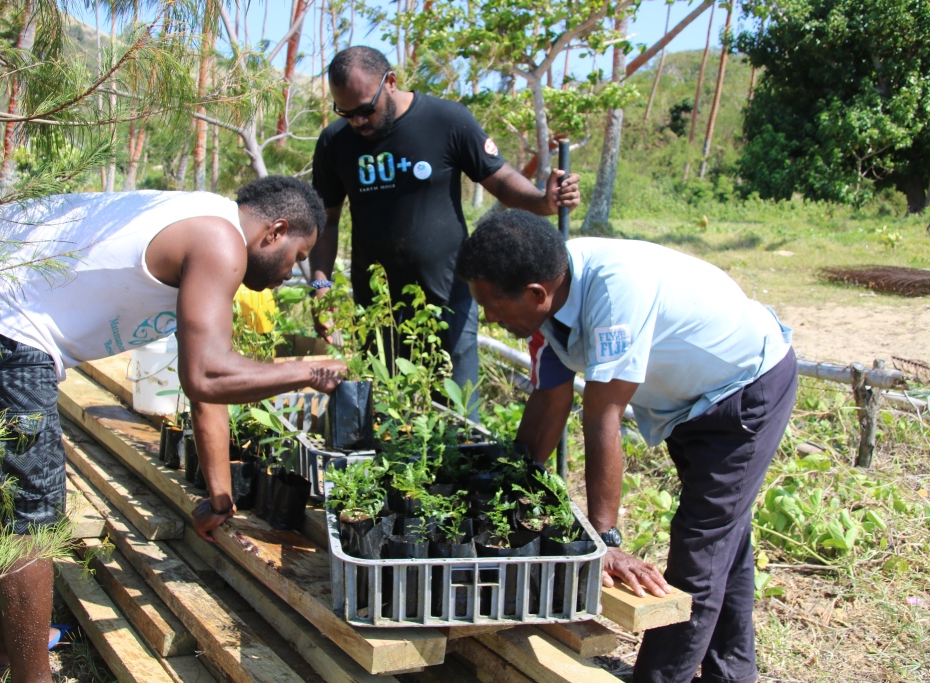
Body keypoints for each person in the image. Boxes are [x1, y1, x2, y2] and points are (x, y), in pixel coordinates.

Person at [0, 176, 346, 682]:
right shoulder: (220, 240)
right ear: (276, 230)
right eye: (298, 257)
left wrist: (219, 497)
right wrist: (308, 370)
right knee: (30, 513)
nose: (291, 274)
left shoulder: (209, 228)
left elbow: (207, 386)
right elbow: (207, 374)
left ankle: (7, 649)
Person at [456, 210, 798, 683]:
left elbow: (604, 416)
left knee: (700, 548)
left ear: (536, 294)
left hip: (743, 392)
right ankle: (733, 673)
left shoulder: (615, 292)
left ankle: (660, 676)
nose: (490, 318)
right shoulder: (550, 295)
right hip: (688, 403)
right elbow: (549, 403)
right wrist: (511, 491)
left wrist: (602, 541)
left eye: (492, 305)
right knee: (723, 536)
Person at [310, 46, 581, 403]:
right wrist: (321, 285)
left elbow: (500, 179)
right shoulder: (335, 142)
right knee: (386, 403)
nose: (358, 122)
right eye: (346, 113)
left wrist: (542, 201)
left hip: (449, 297)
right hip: (377, 304)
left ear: (390, 81)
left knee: (455, 405)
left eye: (365, 110)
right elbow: (326, 222)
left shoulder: (446, 120)